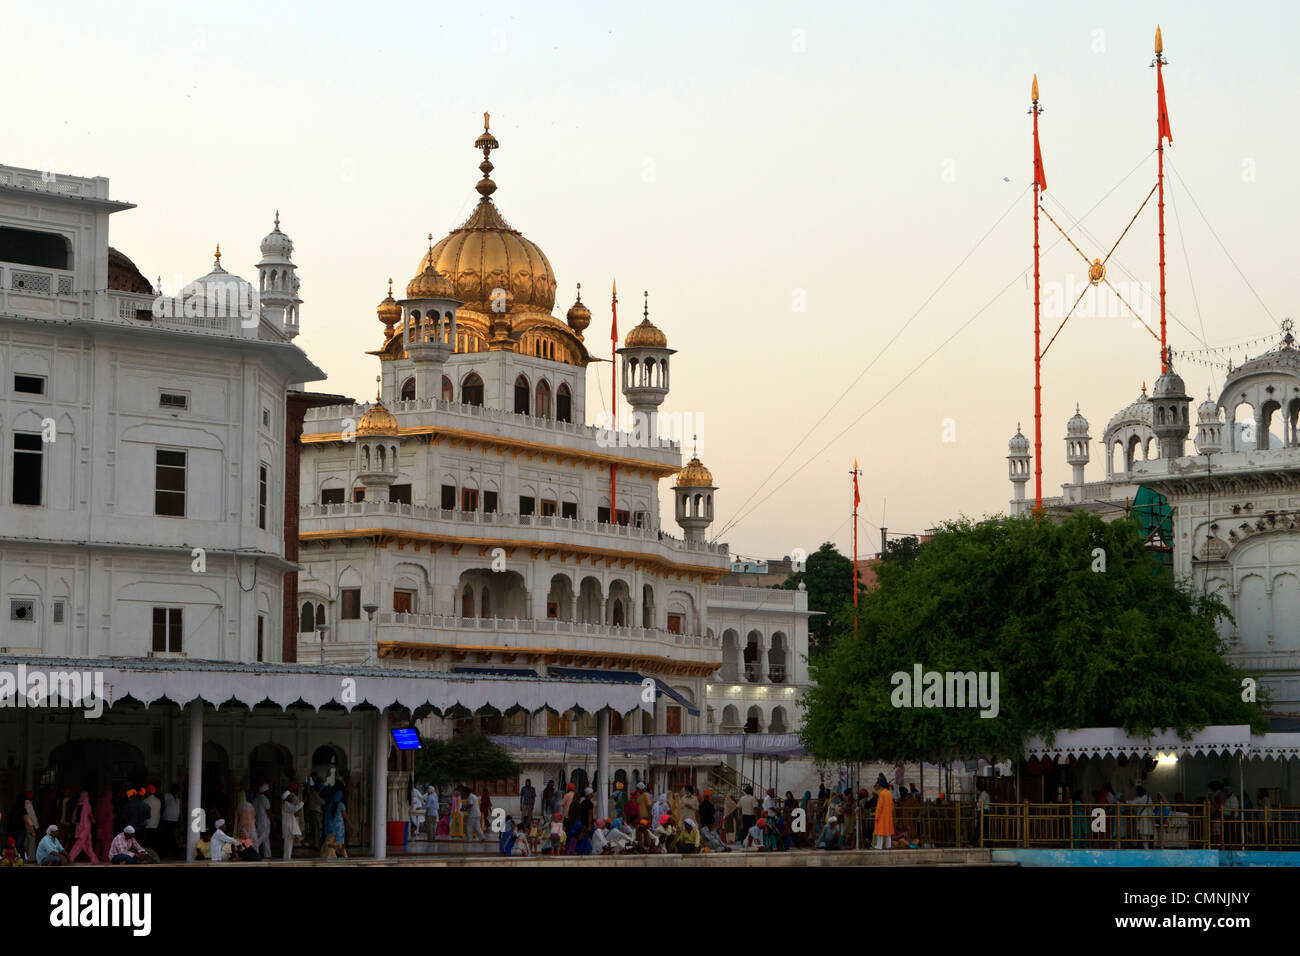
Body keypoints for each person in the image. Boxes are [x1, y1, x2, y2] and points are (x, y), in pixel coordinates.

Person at [68, 791, 98, 863]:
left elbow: (75, 818)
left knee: (87, 844)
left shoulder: (78, 805)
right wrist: (95, 822)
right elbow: (90, 816)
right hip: (86, 827)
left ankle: (93, 858)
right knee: (80, 843)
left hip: (79, 827)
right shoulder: (87, 805)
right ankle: (71, 856)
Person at [281, 788, 304, 860]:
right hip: (288, 827)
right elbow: (295, 808)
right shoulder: (286, 804)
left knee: (289, 844)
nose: (291, 797)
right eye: (290, 796)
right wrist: (302, 802)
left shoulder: (287, 804)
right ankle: (286, 859)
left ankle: (287, 858)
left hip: (289, 827)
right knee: (288, 844)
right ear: (287, 797)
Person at [253, 783, 273, 859]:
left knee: (266, 839)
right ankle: (254, 847)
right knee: (263, 836)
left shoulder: (256, 799)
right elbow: (268, 812)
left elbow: (253, 811)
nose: (268, 792)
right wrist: (273, 820)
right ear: (265, 791)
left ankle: (268, 855)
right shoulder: (265, 799)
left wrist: (254, 822)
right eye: (267, 791)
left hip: (258, 822)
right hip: (265, 822)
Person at [873, 780, 894, 850]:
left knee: (880, 833)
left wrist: (877, 816)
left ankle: (879, 846)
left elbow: (879, 807)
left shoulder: (882, 794)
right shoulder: (889, 793)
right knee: (888, 833)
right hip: (888, 816)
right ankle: (888, 846)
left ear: (881, 787)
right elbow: (892, 805)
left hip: (882, 816)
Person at [161, 785, 181, 859]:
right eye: (174, 789)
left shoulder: (177, 798)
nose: (175, 791)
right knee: (168, 836)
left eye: (176, 790)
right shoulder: (167, 796)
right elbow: (162, 804)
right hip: (167, 819)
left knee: (171, 836)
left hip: (174, 820)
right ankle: (167, 852)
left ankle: (171, 851)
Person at [305, 783, 325, 849]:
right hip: (315, 813)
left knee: (316, 829)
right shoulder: (314, 794)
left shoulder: (314, 794)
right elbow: (322, 802)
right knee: (316, 829)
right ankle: (316, 845)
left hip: (314, 813)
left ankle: (316, 844)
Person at [142, 785, 161, 850]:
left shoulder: (145, 800)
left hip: (148, 824)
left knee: (147, 841)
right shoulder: (158, 801)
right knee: (154, 841)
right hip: (155, 823)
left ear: (148, 792)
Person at [22, 792, 39, 861]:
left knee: (26, 842)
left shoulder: (23, 804)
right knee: (31, 842)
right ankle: (31, 858)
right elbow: (32, 816)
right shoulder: (28, 804)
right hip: (30, 825)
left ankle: (26, 857)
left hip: (26, 825)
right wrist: (36, 825)